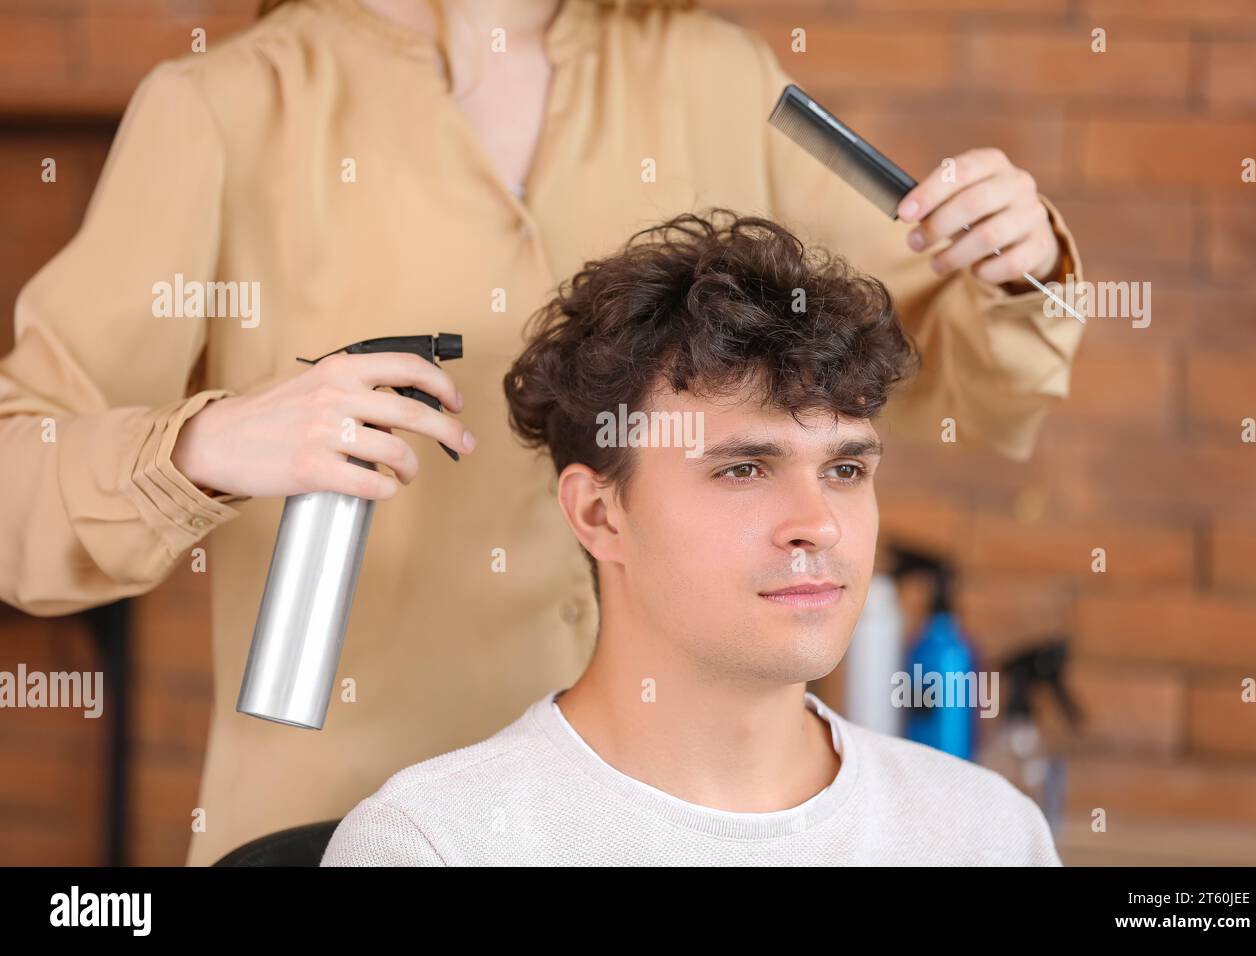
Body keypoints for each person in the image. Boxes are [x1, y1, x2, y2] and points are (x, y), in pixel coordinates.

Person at [0, 0, 1084, 866]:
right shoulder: (224, 108)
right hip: (328, 821)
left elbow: (948, 382)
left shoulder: (715, 78)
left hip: (675, 816)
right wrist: (208, 442)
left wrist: (1015, 260)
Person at [319, 211, 1063, 866]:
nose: (820, 523)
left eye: (843, 467)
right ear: (599, 514)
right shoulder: (433, 846)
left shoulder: (986, 833)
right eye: (744, 469)